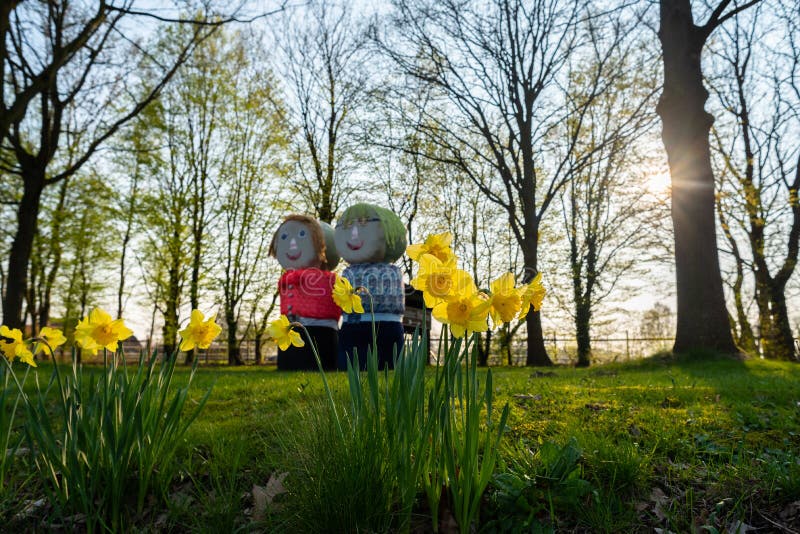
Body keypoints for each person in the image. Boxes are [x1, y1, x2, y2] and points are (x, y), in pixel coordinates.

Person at [335, 203, 406, 370]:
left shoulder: (393, 272)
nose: (353, 234)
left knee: (387, 367)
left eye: (363, 226)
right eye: (348, 228)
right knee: (352, 368)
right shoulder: (348, 272)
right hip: (352, 326)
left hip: (386, 327)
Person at [269, 215, 340, 370]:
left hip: (320, 333)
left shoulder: (328, 279)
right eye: (285, 237)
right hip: (291, 330)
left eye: (302, 235)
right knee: (290, 364)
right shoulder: (286, 279)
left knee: (318, 363)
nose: (292, 244)